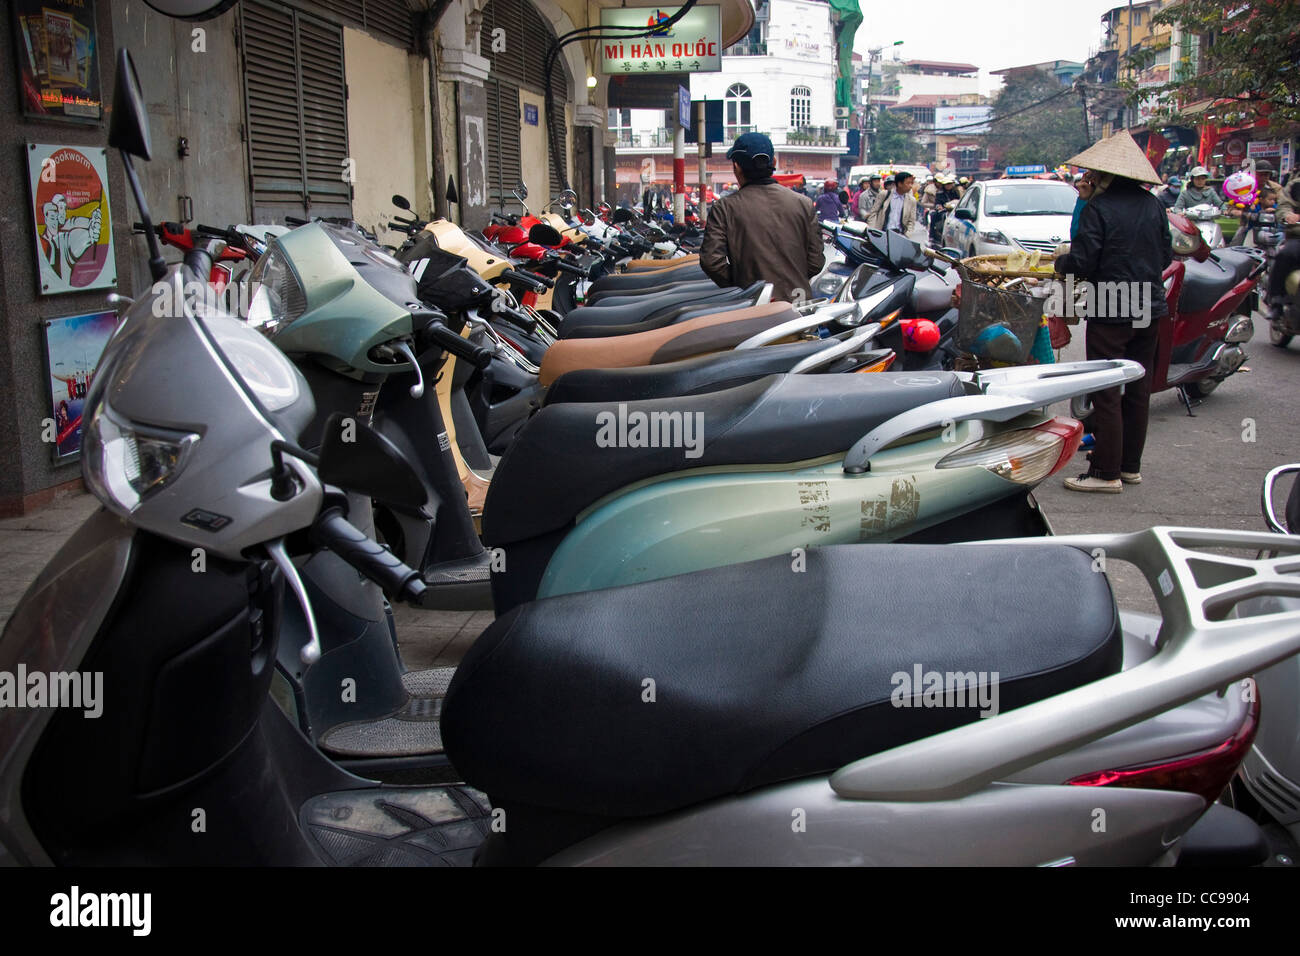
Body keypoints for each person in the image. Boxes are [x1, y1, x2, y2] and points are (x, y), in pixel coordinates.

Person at [1054, 131, 1173, 494]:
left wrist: (1063, 263)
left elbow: (1085, 261)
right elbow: (1166, 256)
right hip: (1149, 306)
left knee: (1105, 389)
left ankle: (1106, 473)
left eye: (1091, 174)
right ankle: (1129, 467)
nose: (1087, 179)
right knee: (1138, 388)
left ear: (1103, 175)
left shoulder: (1099, 209)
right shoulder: (1153, 205)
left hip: (1111, 306)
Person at [701, 131, 824, 303]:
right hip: (799, 310)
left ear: (736, 167)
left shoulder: (724, 208)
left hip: (753, 310)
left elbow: (711, 261)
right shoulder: (804, 204)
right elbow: (816, 262)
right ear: (773, 163)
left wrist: (743, 286)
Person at [1265, 174, 1300, 322]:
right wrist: (1288, 215)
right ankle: (1276, 301)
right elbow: (1284, 206)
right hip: (1298, 237)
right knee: (1285, 255)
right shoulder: (1295, 185)